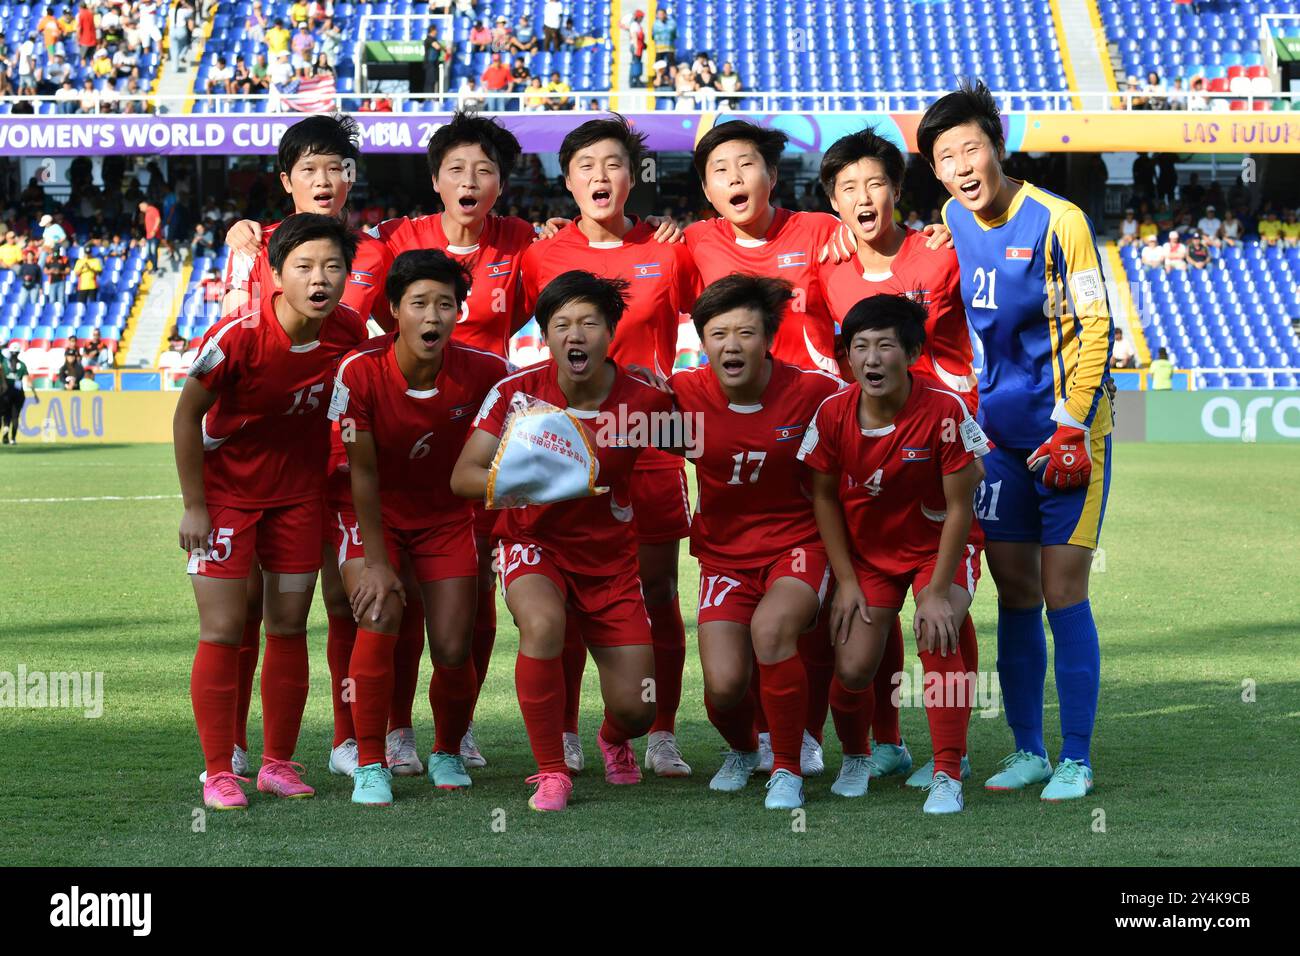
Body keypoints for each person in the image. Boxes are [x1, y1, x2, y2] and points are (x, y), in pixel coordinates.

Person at [917, 81, 1113, 801]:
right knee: (1017, 593)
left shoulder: (1060, 220)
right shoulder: (949, 216)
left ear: (997, 145)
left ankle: (1078, 757)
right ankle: (1029, 749)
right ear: (935, 172)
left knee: (1065, 593)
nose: (964, 165)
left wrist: (1072, 424)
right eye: (946, 156)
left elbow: (1098, 328)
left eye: (972, 147)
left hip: (1068, 435)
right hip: (996, 439)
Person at [450, 270, 674, 812]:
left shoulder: (645, 402)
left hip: (611, 562)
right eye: (561, 325)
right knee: (544, 626)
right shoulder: (516, 393)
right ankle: (551, 770)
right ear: (546, 337)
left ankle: (613, 739)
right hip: (535, 544)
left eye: (589, 323)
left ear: (611, 330)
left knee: (640, 706)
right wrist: (541, 482)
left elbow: (701, 449)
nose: (575, 335)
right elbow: (463, 477)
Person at [520, 116, 700, 779]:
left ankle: (659, 731)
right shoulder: (539, 255)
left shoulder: (670, 250)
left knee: (657, 593)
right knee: (561, 598)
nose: (600, 176)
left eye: (614, 164)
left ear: (634, 176)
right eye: (586, 166)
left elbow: (729, 310)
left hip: (648, 444)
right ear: (566, 180)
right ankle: (563, 732)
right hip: (559, 448)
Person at [175, 213, 363, 811]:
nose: (320, 278)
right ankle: (218, 769)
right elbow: (185, 417)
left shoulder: (350, 333)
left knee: (287, 627)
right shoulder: (236, 337)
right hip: (229, 501)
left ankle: (278, 763)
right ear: (277, 274)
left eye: (333, 267)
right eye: (305, 266)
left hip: (299, 502)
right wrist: (194, 507)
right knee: (225, 630)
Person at [816, 126, 980, 788]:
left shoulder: (943, 253)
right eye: (849, 187)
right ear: (833, 202)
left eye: (876, 183)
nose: (864, 197)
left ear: (897, 191)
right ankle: (886, 743)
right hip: (870, 461)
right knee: (868, 625)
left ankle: (954, 754)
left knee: (944, 614)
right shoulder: (824, 269)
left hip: (946, 449)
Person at [330, 250, 511, 804]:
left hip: (447, 520)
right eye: (419, 304)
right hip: (372, 515)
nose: (432, 316)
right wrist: (379, 564)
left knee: (455, 647)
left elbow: (516, 444)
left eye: (444, 304)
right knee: (378, 614)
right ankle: (368, 761)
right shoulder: (359, 370)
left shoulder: (486, 373)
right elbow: (361, 472)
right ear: (393, 310)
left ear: (458, 311)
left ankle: (448, 750)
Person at [800, 293, 988, 815]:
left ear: (911, 353)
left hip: (939, 547)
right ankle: (864, 754)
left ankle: (949, 768)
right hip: (869, 556)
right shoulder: (833, 413)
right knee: (854, 666)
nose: (872, 358)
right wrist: (848, 581)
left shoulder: (945, 409)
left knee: (938, 626)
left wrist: (935, 594)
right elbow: (821, 496)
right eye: (860, 346)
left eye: (886, 346)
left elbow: (959, 506)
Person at [672, 274, 844, 809]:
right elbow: (618, 430)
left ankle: (788, 767)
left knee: (771, 632)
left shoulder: (813, 393)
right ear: (703, 341)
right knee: (723, 688)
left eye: (745, 333)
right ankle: (747, 749)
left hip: (798, 545)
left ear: (768, 338)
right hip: (723, 557)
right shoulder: (679, 397)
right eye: (718, 333)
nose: (731, 345)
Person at [2, 344, 38, 444]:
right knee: (15, 416)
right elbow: (28, 382)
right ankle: (13, 439)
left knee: (6, 415)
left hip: (7, 393)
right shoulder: (22, 365)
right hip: (18, 393)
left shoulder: (5, 363)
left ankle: (5, 431)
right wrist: (35, 394)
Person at [423, 24, 449, 96]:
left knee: (434, 80)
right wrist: (444, 48)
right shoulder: (429, 39)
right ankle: (429, 97)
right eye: (435, 30)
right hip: (430, 63)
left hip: (434, 63)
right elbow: (437, 46)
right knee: (430, 81)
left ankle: (432, 96)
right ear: (433, 31)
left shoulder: (434, 39)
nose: (437, 32)